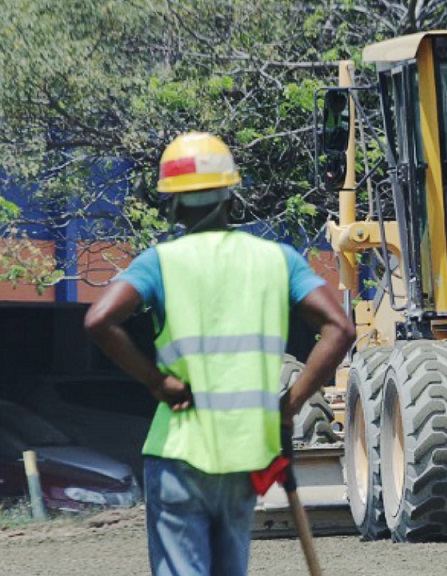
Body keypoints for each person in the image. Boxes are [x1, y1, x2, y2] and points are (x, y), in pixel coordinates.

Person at [84, 132, 355, 575]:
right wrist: (291, 404)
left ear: (172, 205)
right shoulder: (278, 259)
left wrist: (157, 383)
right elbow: (339, 329)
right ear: (231, 196)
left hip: (178, 453)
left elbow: (99, 320)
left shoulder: (160, 261)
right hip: (245, 451)